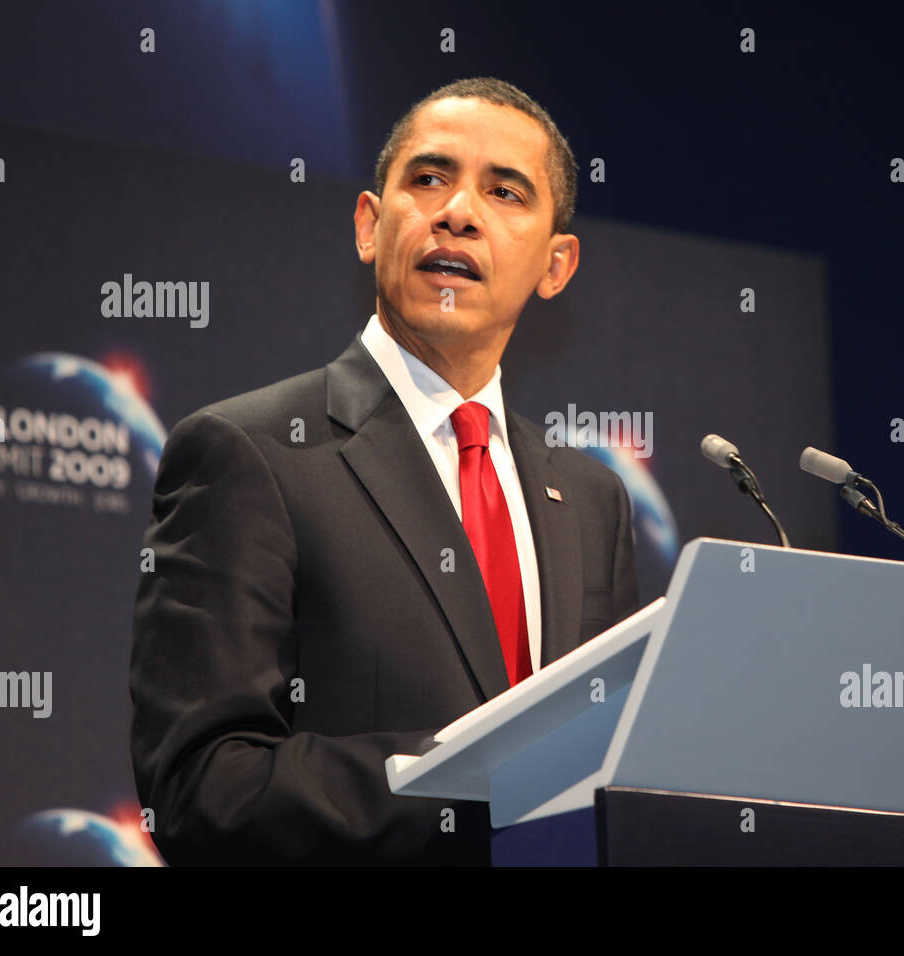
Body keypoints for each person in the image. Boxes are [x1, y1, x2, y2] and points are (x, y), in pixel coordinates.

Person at [129, 77, 640, 865]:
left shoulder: (593, 501)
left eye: (506, 192)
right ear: (371, 225)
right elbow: (203, 786)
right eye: (429, 179)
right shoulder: (249, 452)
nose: (458, 212)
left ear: (556, 264)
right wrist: (478, 778)